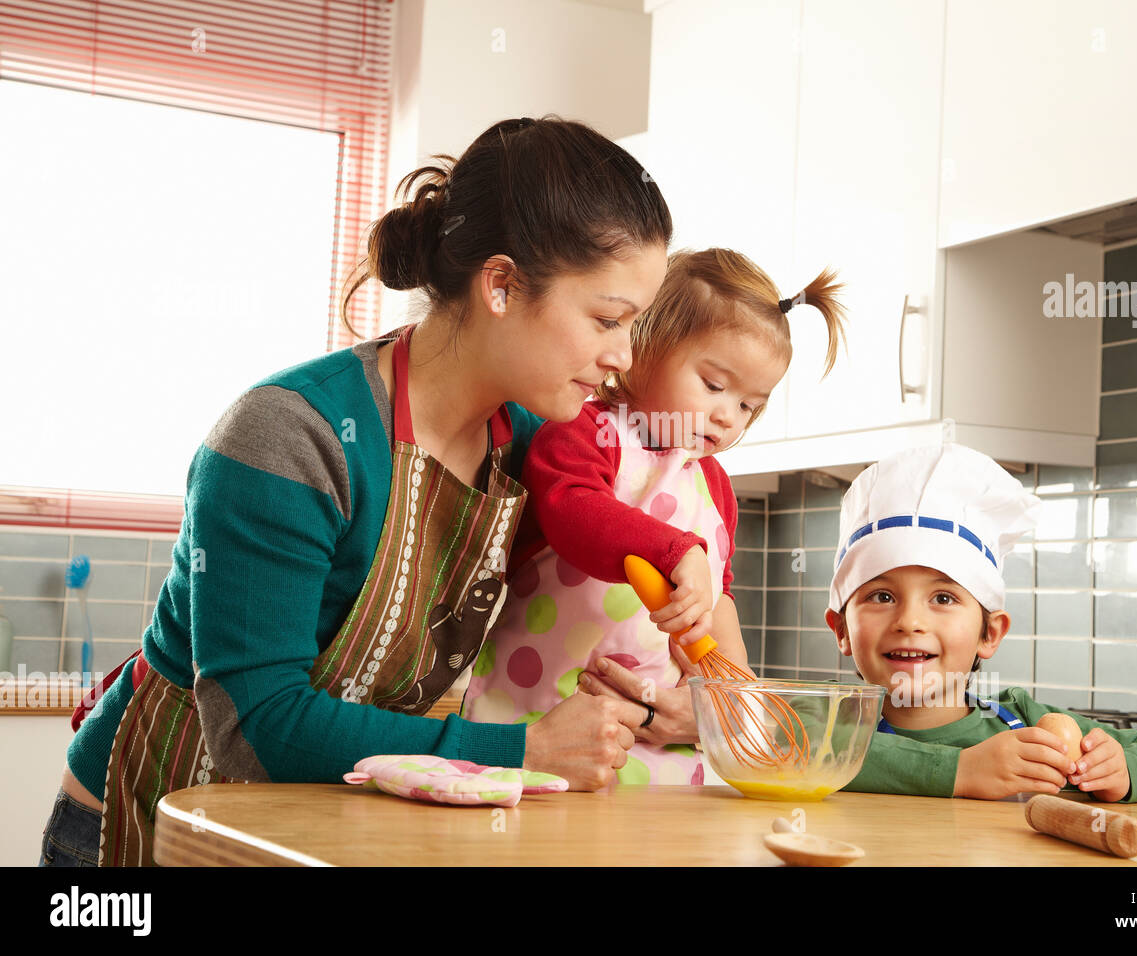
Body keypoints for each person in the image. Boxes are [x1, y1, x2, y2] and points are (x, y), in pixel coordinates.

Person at [39, 115, 672, 867]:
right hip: (147, 822)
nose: (623, 357)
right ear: (500, 285)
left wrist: (675, 687)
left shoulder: (529, 448)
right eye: (608, 319)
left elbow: (646, 506)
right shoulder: (288, 435)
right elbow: (256, 726)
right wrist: (524, 749)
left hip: (318, 827)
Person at [462, 248, 847, 784]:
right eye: (714, 385)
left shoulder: (713, 485)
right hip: (542, 719)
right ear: (644, 346)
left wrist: (733, 698)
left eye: (747, 406)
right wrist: (675, 549)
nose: (725, 415)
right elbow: (573, 511)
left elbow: (720, 599)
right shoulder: (585, 432)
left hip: (655, 747)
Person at [825, 442, 1137, 802]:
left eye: (943, 598)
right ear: (841, 629)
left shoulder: (1023, 720)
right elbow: (794, 747)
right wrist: (961, 771)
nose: (909, 621)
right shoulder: (820, 715)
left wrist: (1123, 770)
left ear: (989, 633)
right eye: (882, 596)